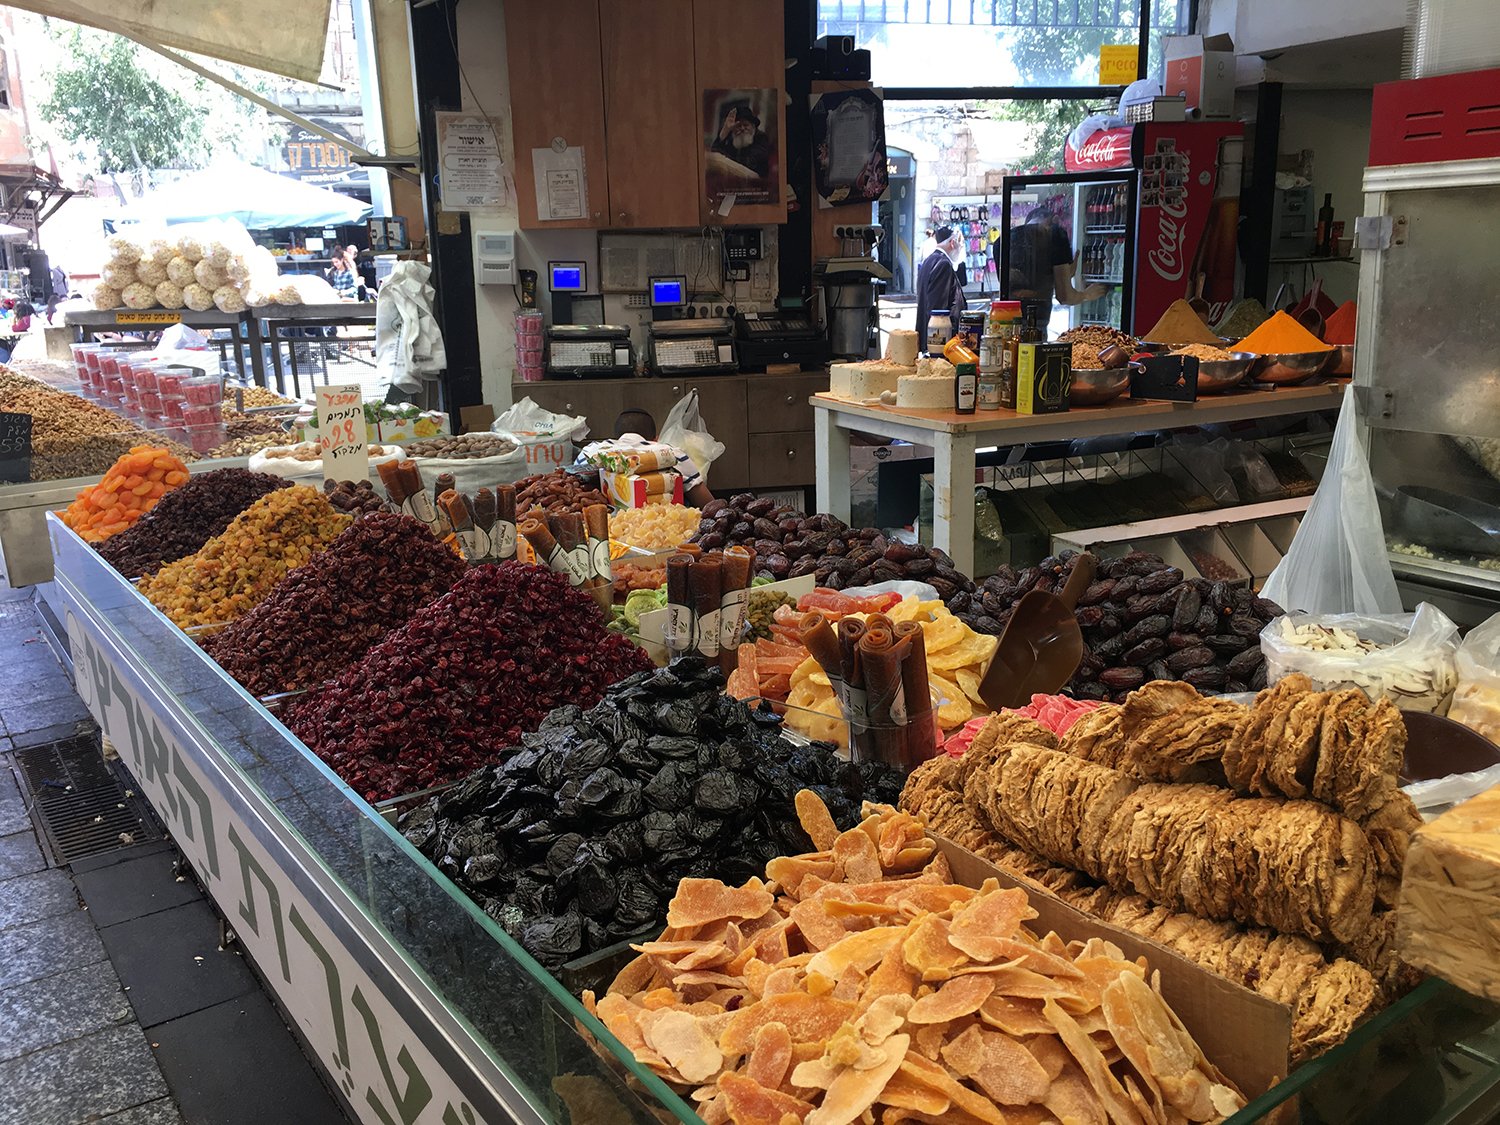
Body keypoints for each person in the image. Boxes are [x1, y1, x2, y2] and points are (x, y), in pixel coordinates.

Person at [1001, 205, 1106, 324]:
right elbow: (1064, 296)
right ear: (1055, 219)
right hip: (1037, 323)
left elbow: (1023, 286)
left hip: (1006, 324)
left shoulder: (1002, 241)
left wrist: (1063, 274)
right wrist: (1086, 295)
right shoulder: (1056, 234)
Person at [613, 409, 715, 507]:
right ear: (656, 439)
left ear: (615, 439)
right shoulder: (671, 454)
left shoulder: (602, 453)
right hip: (665, 520)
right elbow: (708, 504)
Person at [914, 225, 964, 353]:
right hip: (940, 342)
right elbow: (938, 310)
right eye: (961, 244)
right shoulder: (943, 264)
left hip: (931, 339)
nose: (961, 249)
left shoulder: (929, 261)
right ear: (953, 243)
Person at [710, 102, 773, 179]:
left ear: (753, 126)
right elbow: (714, 155)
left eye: (746, 125)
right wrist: (725, 130)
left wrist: (726, 161)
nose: (742, 128)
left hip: (756, 185)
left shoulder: (761, 138)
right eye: (738, 126)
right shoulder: (732, 142)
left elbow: (752, 162)